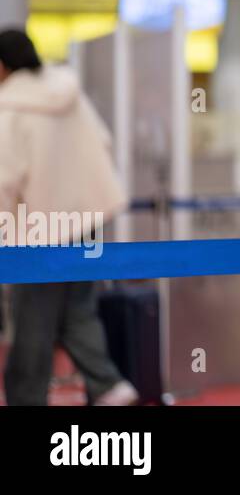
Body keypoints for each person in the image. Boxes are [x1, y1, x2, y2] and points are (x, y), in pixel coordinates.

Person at [0, 29, 137, 406]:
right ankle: (109, 386)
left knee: (34, 319)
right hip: (86, 220)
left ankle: (26, 399)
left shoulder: (9, 107)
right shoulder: (68, 90)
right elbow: (103, 141)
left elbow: (4, 179)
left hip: (39, 230)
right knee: (77, 310)